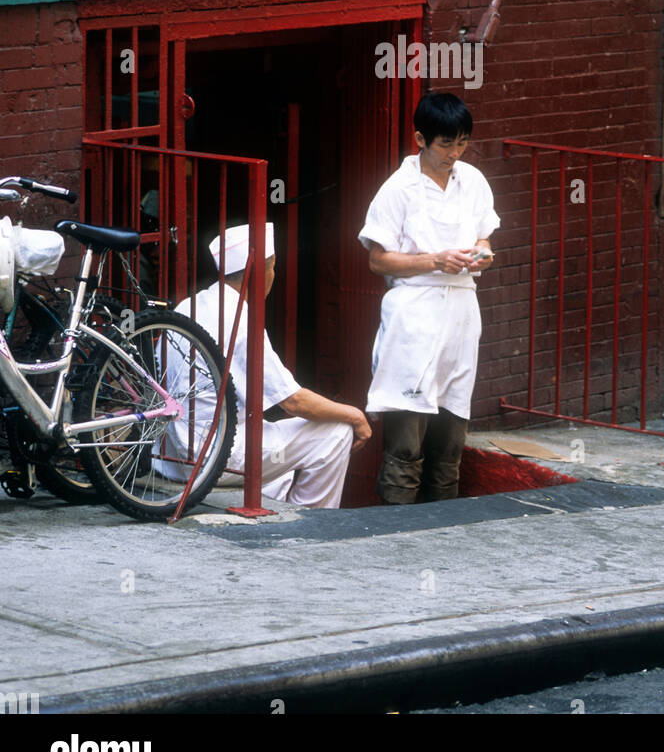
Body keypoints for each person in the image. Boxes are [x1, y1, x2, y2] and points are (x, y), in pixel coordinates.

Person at [163, 224, 371, 508]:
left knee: (275, 452)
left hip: (174, 453)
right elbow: (293, 402)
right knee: (336, 432)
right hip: (215, 456)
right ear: (260, 271)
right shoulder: (239, 318)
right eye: (274, 267)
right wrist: (354, 415)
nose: (276, 275)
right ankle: (313, 519)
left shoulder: (191, 304)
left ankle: (279, 510)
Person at [358, 91, 499, 504]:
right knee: (407, 436)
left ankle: (442, 523)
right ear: (420, 139)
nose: (453, 153)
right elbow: (378, 261)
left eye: (461, 143)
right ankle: (397, 523)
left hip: (460, 312)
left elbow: (484, 239)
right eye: (445, 144)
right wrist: (435, 260)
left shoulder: (471, 181)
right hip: (414, 314)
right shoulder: (397, 189)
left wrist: (482, 257)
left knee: (452, 431)